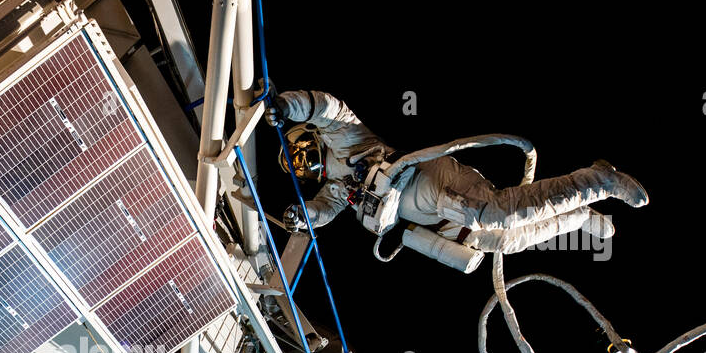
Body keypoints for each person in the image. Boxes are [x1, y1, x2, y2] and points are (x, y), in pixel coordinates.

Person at [264, 89, 648, 254]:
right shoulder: (335, 187)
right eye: (294, 170)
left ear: (305, 141)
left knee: (502, 212)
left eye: (296, 157)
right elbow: (324, 211)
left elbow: (329, 108)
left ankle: (600, 180)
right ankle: (580, 216)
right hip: (440, 220)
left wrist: (287, 106)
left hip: (435, 184)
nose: (300, 167)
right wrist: (303, 217)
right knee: (506, 240)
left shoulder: (347, 143)